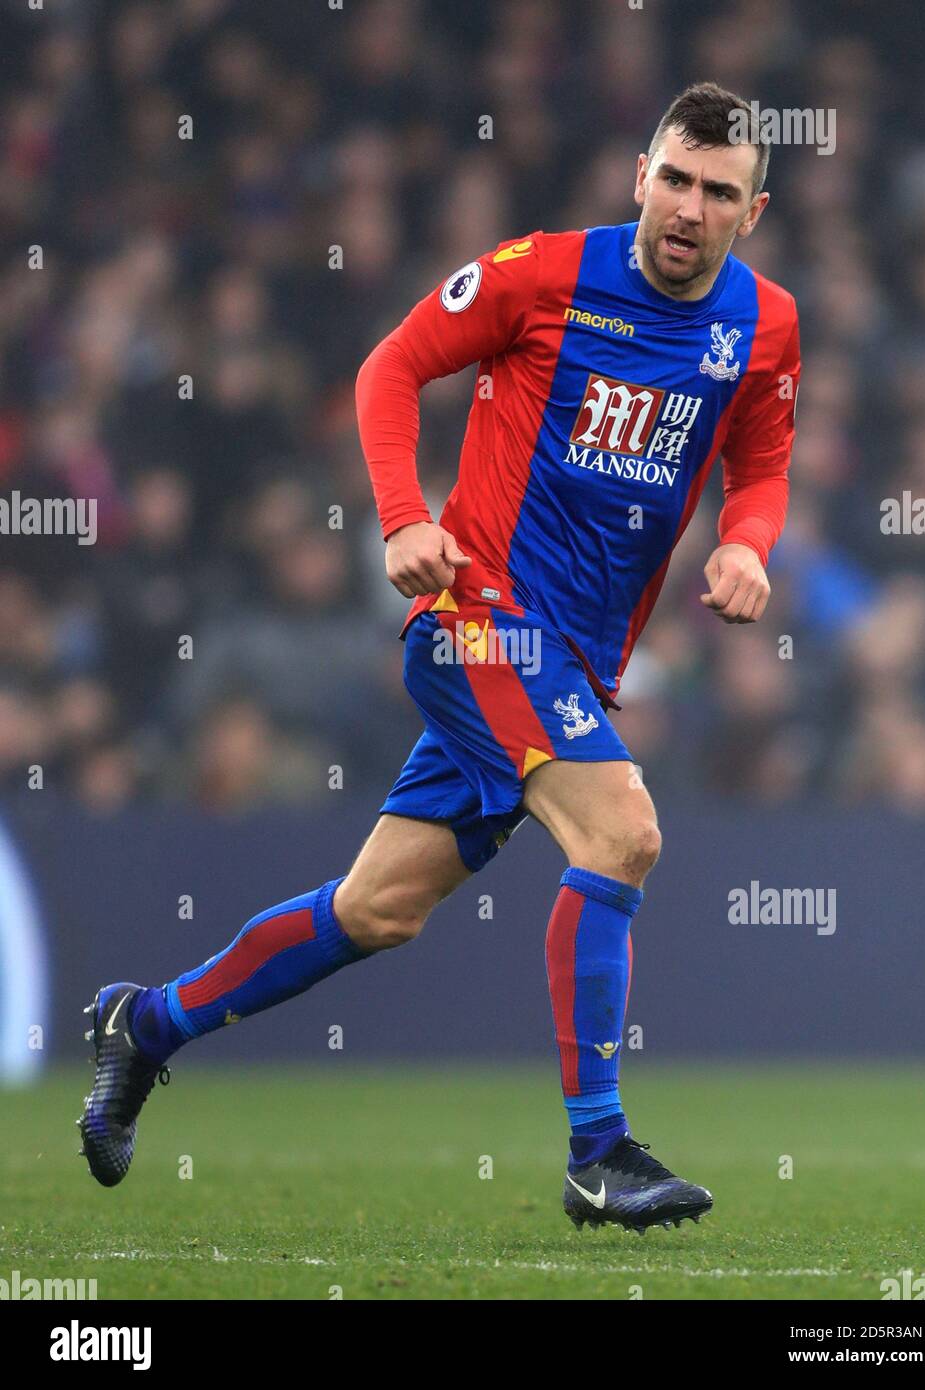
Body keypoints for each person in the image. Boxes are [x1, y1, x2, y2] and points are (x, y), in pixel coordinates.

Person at [79, 82, 800, 1234]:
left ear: (750, 213)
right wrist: (404, 517)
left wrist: (750, 545)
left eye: (718, 191)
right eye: (673, 177)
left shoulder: (763, 325)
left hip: (572, 661)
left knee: (377, 910)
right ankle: (599, 1149)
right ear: (638, 176)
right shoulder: (542, 274)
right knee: (624, 832)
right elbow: (389, 367)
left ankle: (145, 1024)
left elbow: (759, 462)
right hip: (478, 621)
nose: (687, 206)